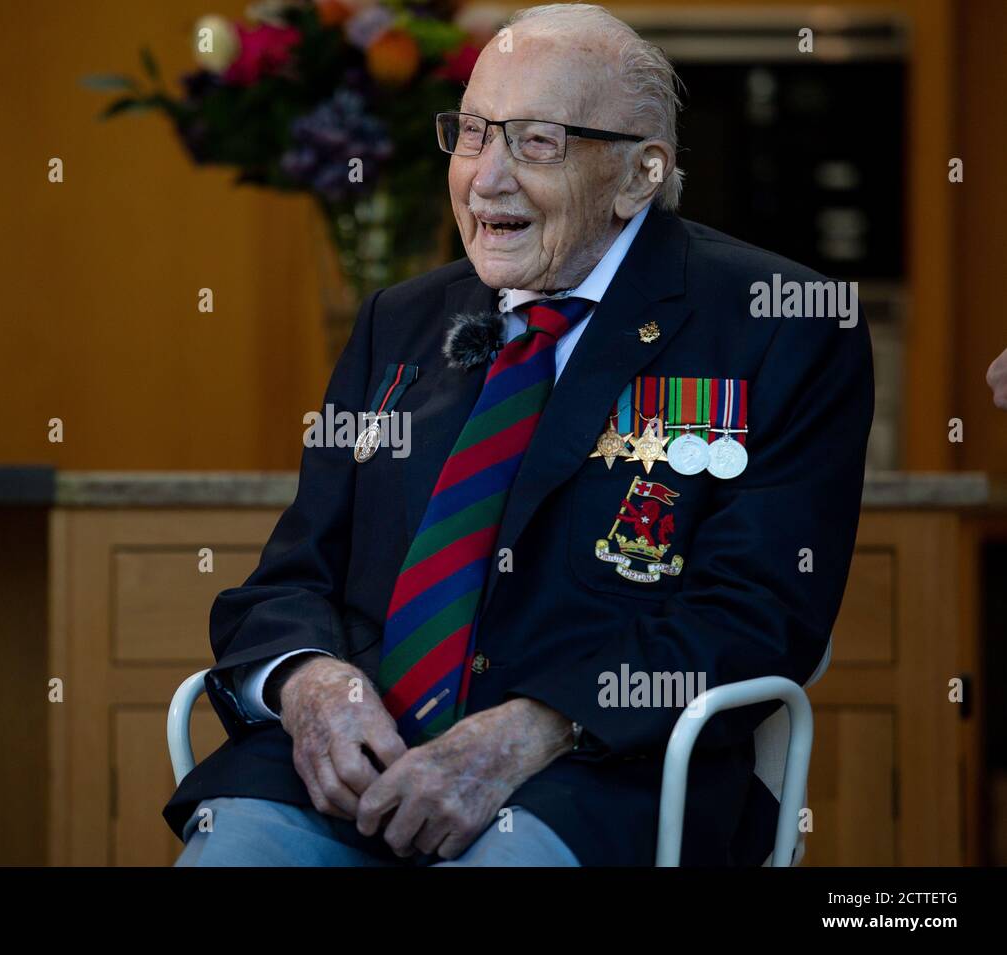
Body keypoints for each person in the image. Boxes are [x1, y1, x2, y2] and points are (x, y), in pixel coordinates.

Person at [165, 2, 874, 866]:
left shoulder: (780, 326)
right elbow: (293, 573)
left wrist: (529, 729)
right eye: (470, 134)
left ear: (640, 174)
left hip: (598, 773)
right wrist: (311, 681)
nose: (485, 178)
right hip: (352, 771)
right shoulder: (400, 321)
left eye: (537, 142)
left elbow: (759, 613)